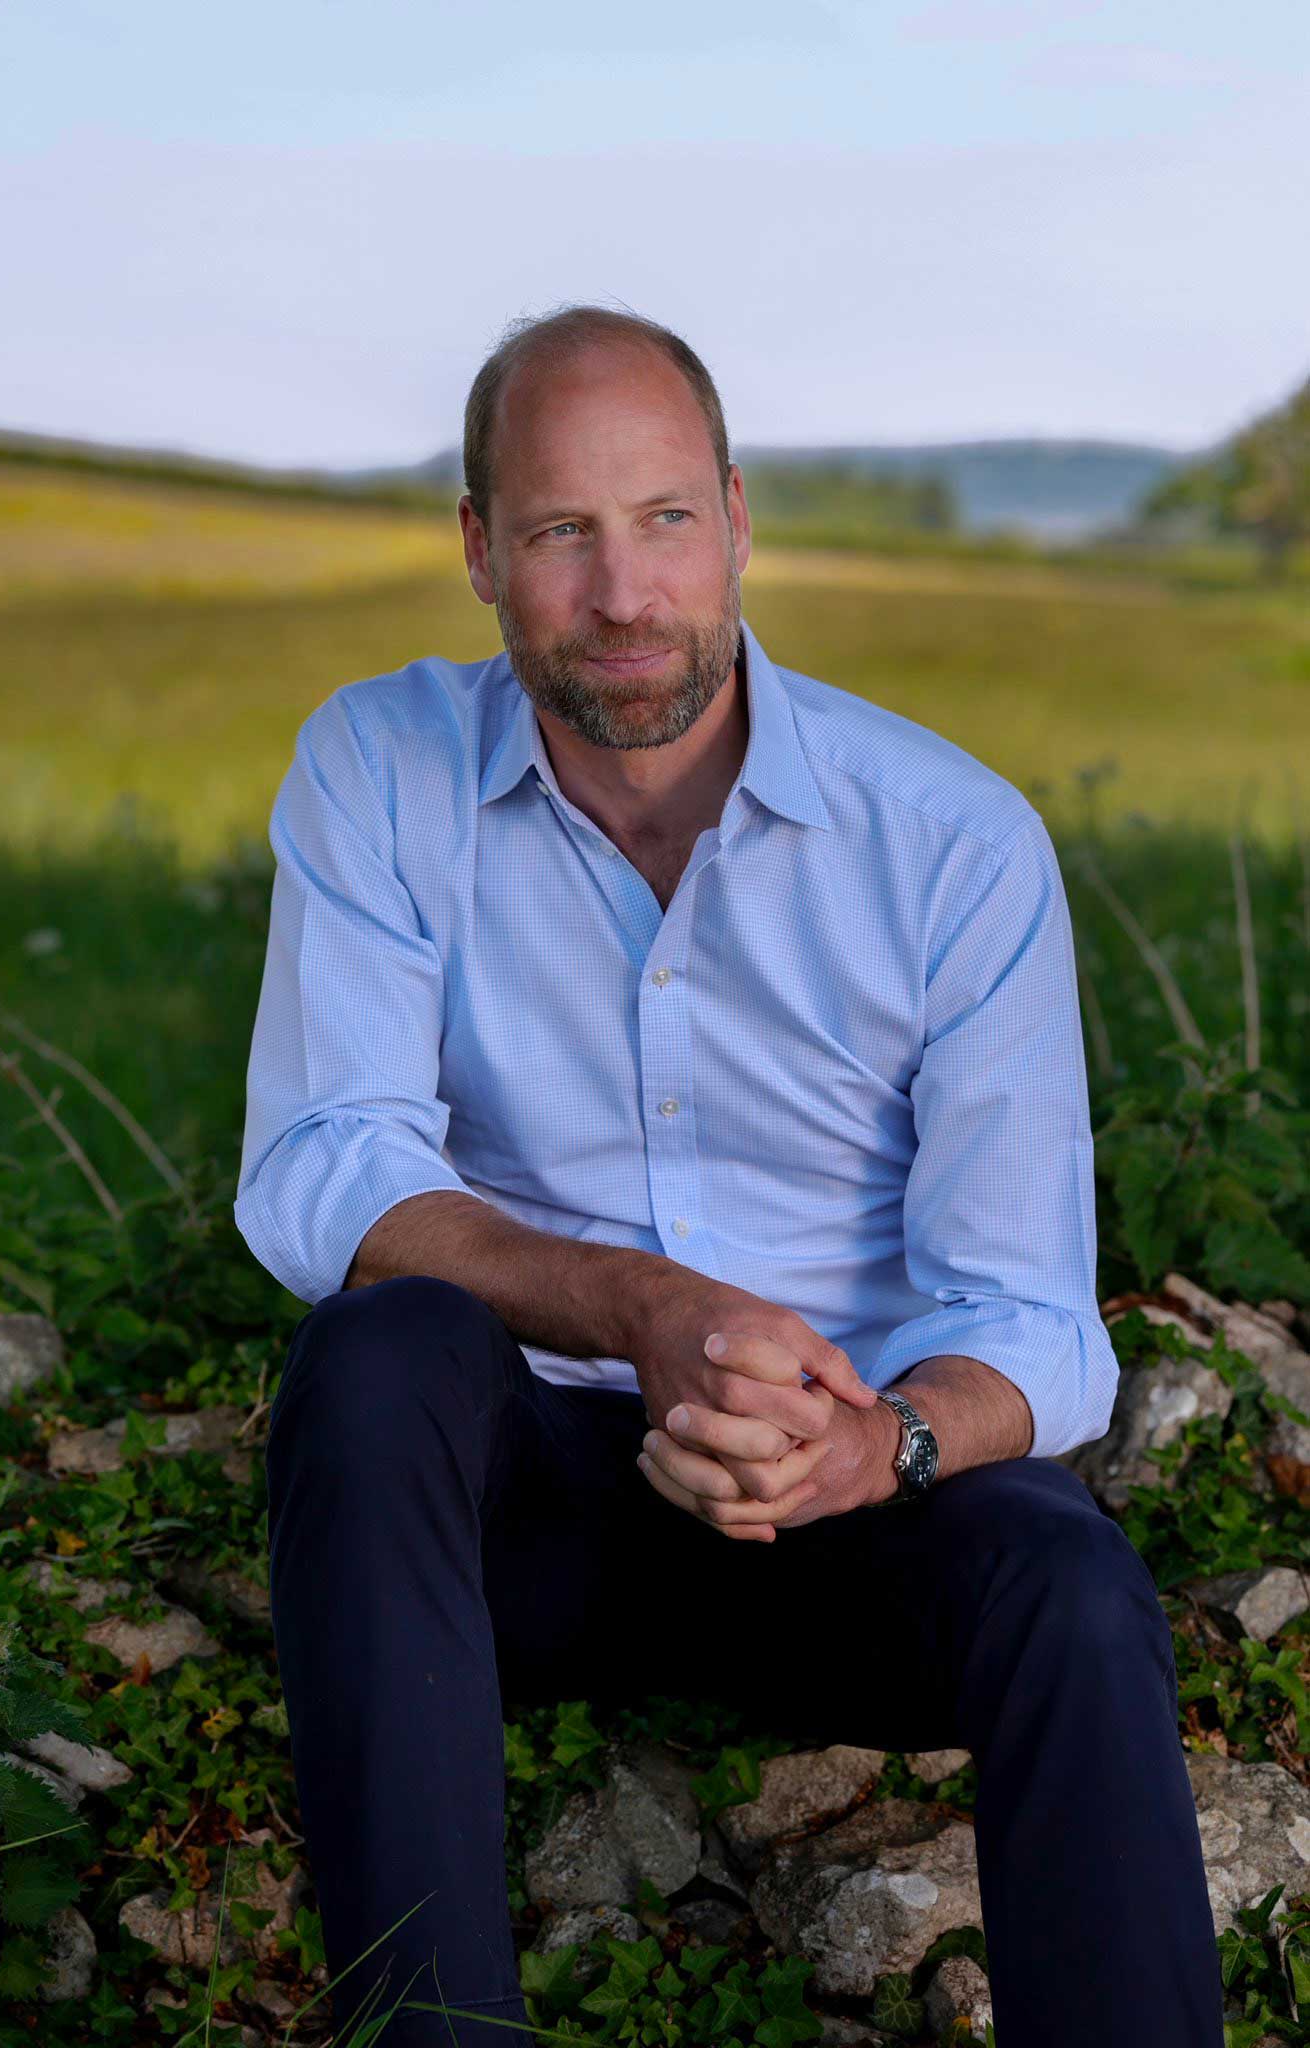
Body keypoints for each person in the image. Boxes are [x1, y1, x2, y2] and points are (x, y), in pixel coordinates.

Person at [235, 302, 1225, 2045]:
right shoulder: (375, 768)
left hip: (842, 1516)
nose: (625, 595)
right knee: (375, 1358)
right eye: (559, 531)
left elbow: (1034, 1324)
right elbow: (325, 1166)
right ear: (479, 551)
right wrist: (640, 1309)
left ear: (739, 520)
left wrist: (876, 1443)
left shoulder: (953, 845)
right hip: (511, 1525)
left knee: (1064, 1577)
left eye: (666, 520)